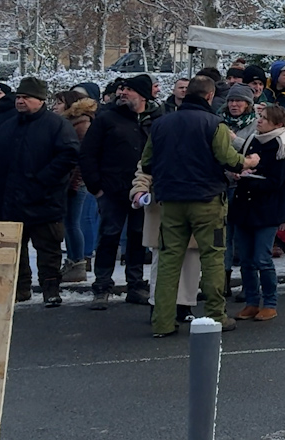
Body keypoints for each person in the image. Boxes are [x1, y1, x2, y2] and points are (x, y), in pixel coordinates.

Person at [141, 75, 254, 336]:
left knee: (169, 261)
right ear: (209, 96)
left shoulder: (160, 124)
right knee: (213, 257)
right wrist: (248, 161)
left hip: (171, 202)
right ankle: (216, 316)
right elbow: (229, 160)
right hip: (207, 201)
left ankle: (162, 321)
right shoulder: (215, 123)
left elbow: (147, 163)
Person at [0, 77, 77, 306]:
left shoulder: (57, 125)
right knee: (14, 250)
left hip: (45, 200)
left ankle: (50, 289)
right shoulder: (6, 125)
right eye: (19, 97)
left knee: (49, 250)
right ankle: (20, 289)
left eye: (26, 97)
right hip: (11, 200)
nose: (20, 101)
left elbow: (68, 156)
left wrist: (43, 180)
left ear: (40, 100)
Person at [82, 75, 154, 308]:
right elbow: (88, 153)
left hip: (142, 191)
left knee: (138, 237)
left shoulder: (154, 120)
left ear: (143, 95)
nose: (122, 93)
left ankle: (135, 284)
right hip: (111, 190)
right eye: (121, 89)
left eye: (129, 90)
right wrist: (96, 187)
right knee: (108, 237)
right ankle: (102, 286)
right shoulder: (106, 119)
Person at [230, 104, 285, 322]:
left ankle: (270, 302)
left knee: (262, 258)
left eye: (264, 119)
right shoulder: (253, 139)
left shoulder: (283, 146)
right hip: (244, 206)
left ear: (278, 124)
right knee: (246, 259)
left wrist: (248, 176)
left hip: (266, 209)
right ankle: (251, 301)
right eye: (260, 117)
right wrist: (241, 172)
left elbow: (276, 181)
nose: (259, 121)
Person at [60, 91, 100, 284]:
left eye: (58, 102)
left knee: (73, 223)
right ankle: (73, 260)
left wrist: (74, 182)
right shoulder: (71, 123)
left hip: (76, 181)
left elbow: (81, 157)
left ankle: (78, 262)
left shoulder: (81, 124)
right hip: (71, 180)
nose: (54, 106)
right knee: (69, 223)